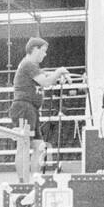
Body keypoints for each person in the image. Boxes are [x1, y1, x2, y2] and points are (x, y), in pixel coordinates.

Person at [8, 37, 70, 178]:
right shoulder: (28, 64)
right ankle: (23, 182)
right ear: (35, 50)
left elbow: (45, 75)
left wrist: (59, 74)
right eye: (43, 51)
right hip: (24, 107)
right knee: (23, 145)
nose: (45, 54)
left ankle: (36, 180)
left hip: (31, 109)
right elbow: (46, 82)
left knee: (39, 146)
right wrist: (59, 72)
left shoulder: (30, 66)